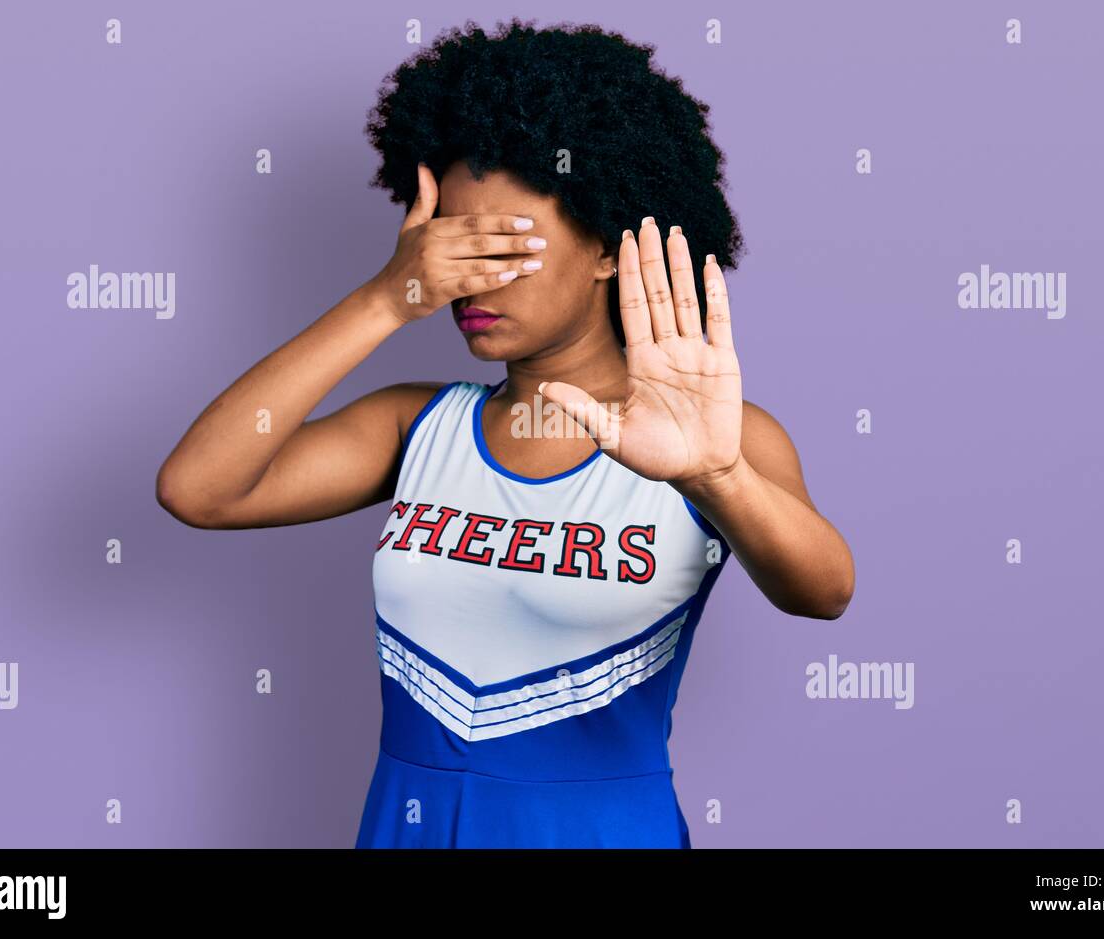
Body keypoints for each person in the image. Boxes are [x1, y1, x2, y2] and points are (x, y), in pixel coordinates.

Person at [156, 20, 855, 848]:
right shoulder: (417, 424)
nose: (467, 280)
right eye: (449, 244)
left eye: (503, 247)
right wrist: (386, 298)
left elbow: (826, 592)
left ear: (604, 246)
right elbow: (197, 489)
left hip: (596, 829)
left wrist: (715, 477)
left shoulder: (717, 437)